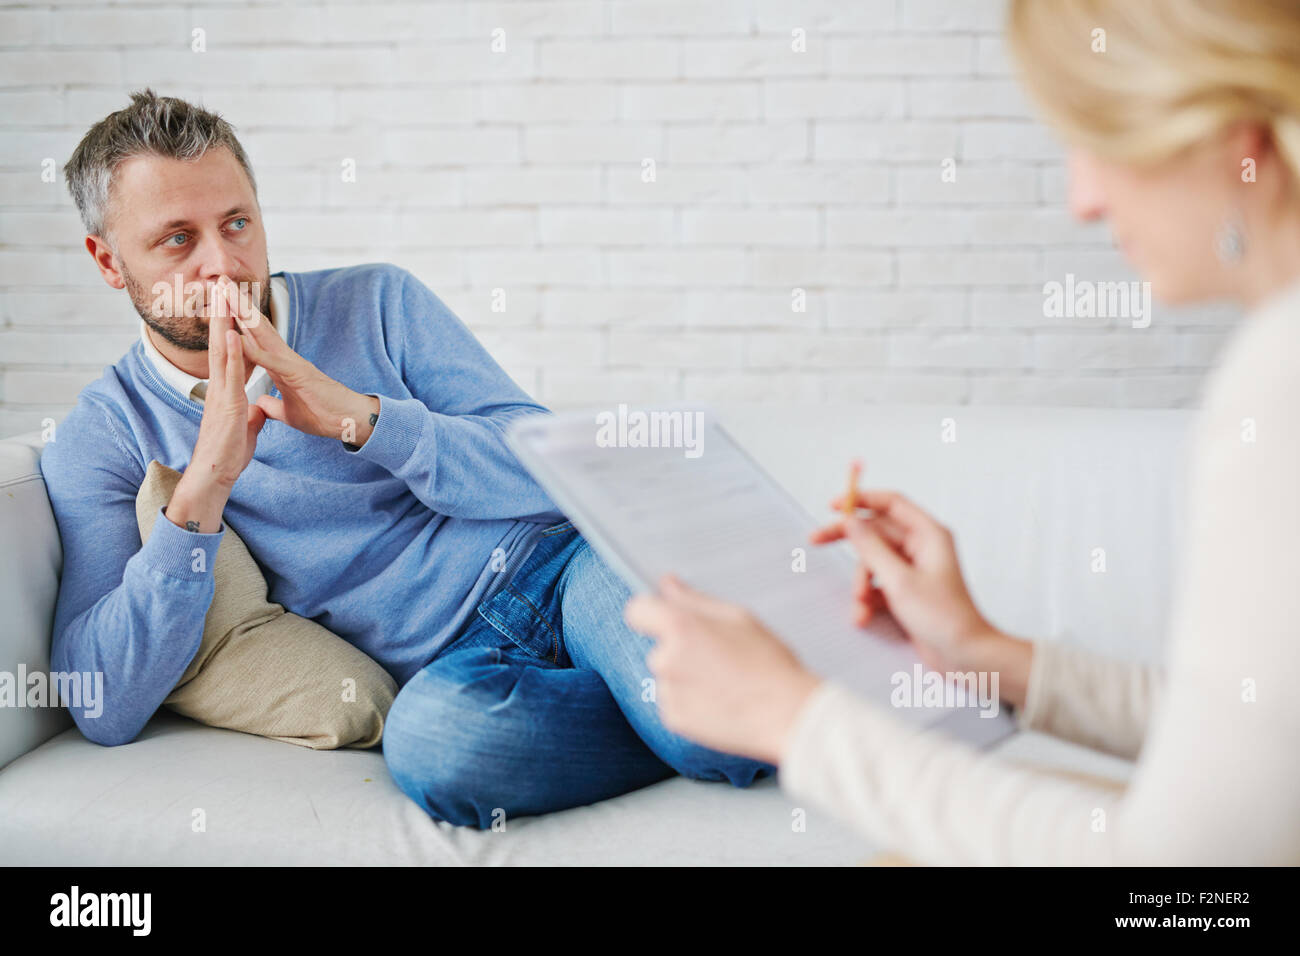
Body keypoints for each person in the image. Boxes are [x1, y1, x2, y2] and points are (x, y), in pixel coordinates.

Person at [624, 0, 1300, 864]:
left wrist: (791, 717)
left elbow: (1187, 881)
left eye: (1098, 138)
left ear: (1233, 134)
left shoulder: (1279, 378)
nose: (1081, 199)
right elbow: (1250, 738)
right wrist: (985, 654)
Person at [41, 90, 772, 829]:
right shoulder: (102, 437)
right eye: (177, 241)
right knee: (437, 749)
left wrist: (363, 418)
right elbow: (100, 700)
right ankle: (700, 713)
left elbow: (544, 464)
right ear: (108, 260)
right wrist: (207, 486)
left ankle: (701, 716)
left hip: (559, 569)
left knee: (703, 725)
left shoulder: (377, 302)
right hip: (451, 678)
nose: (224, 264)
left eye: (237, 224)